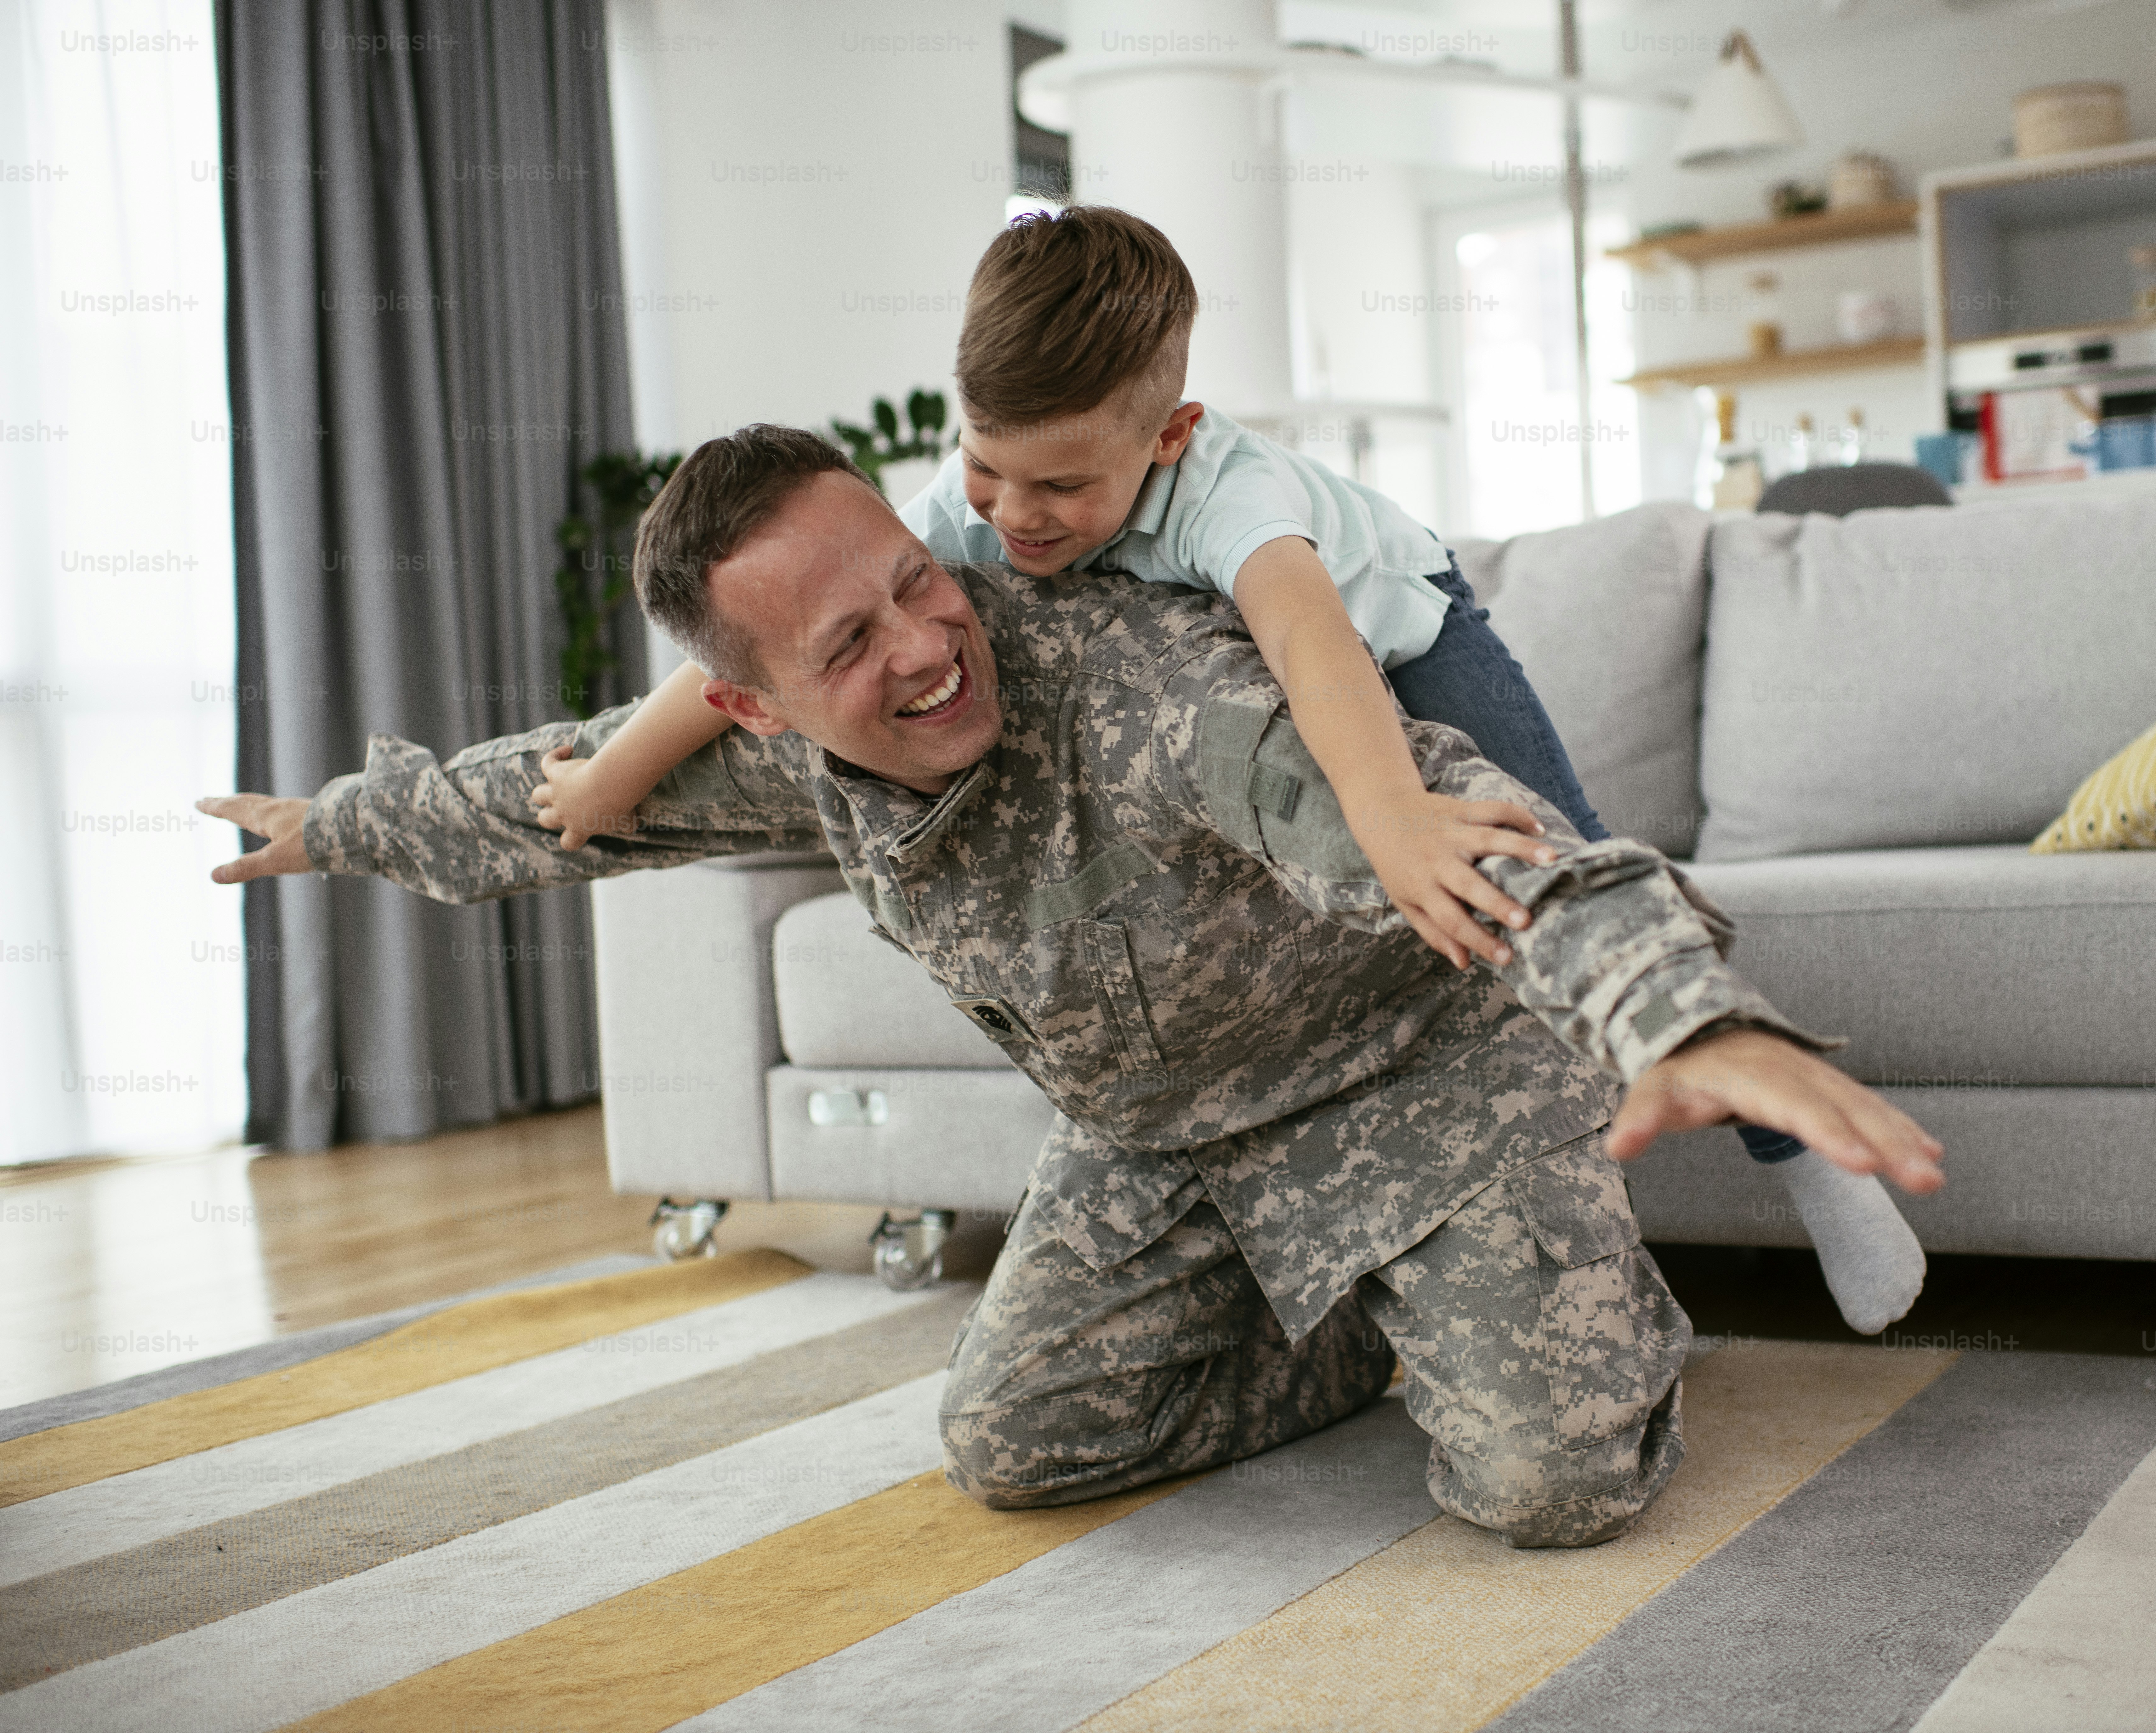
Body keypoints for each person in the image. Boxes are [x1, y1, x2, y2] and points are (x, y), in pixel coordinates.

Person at [202, 426, 1942, 1549]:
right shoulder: (784, 764)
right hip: (1161, 1141)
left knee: (1553, 1491)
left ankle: (1552, 1319)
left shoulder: (1153, 681)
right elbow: (548, 785)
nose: (922, 642)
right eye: (846, 648)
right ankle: (1370, 1323)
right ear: (751, 709)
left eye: (911, 578)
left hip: (1417, 1080)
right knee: (1013, 1445)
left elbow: (1471, 839)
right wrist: (328, 825)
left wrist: (1684, 1016)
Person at [530, 204, 1598, 973]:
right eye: (990, 465)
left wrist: (1399, 819)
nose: (1017, 513)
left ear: (1171, 438)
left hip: (1408, 626)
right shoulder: (972, 499)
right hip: (1223, 680)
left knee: (1563, 850)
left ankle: (1762, 1141)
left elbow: (1313, 646)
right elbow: (754, 653)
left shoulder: (1234, 499)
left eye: (1068, 485)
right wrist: (609, 780)